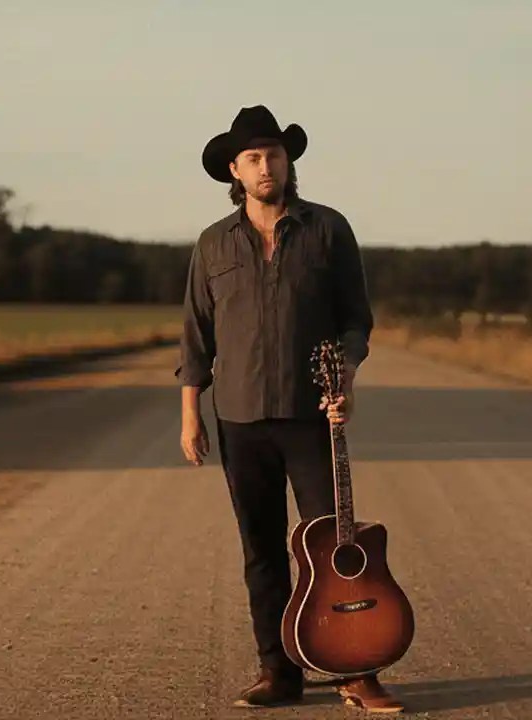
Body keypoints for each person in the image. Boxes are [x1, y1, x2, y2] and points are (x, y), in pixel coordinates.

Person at [175, 105, 403, 713]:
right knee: (263, 550)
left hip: (312, 419)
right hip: (240, 418)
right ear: (235, 169)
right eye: (253, 157)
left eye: (274, 154)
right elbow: (198, 335)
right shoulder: (212, 243)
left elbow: (357, 320)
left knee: (336, 542)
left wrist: (347, 376)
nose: (266, 166)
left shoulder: (329, 230)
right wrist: (190, 413)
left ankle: (356, 671)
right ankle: (279, 673)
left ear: (288, 161)